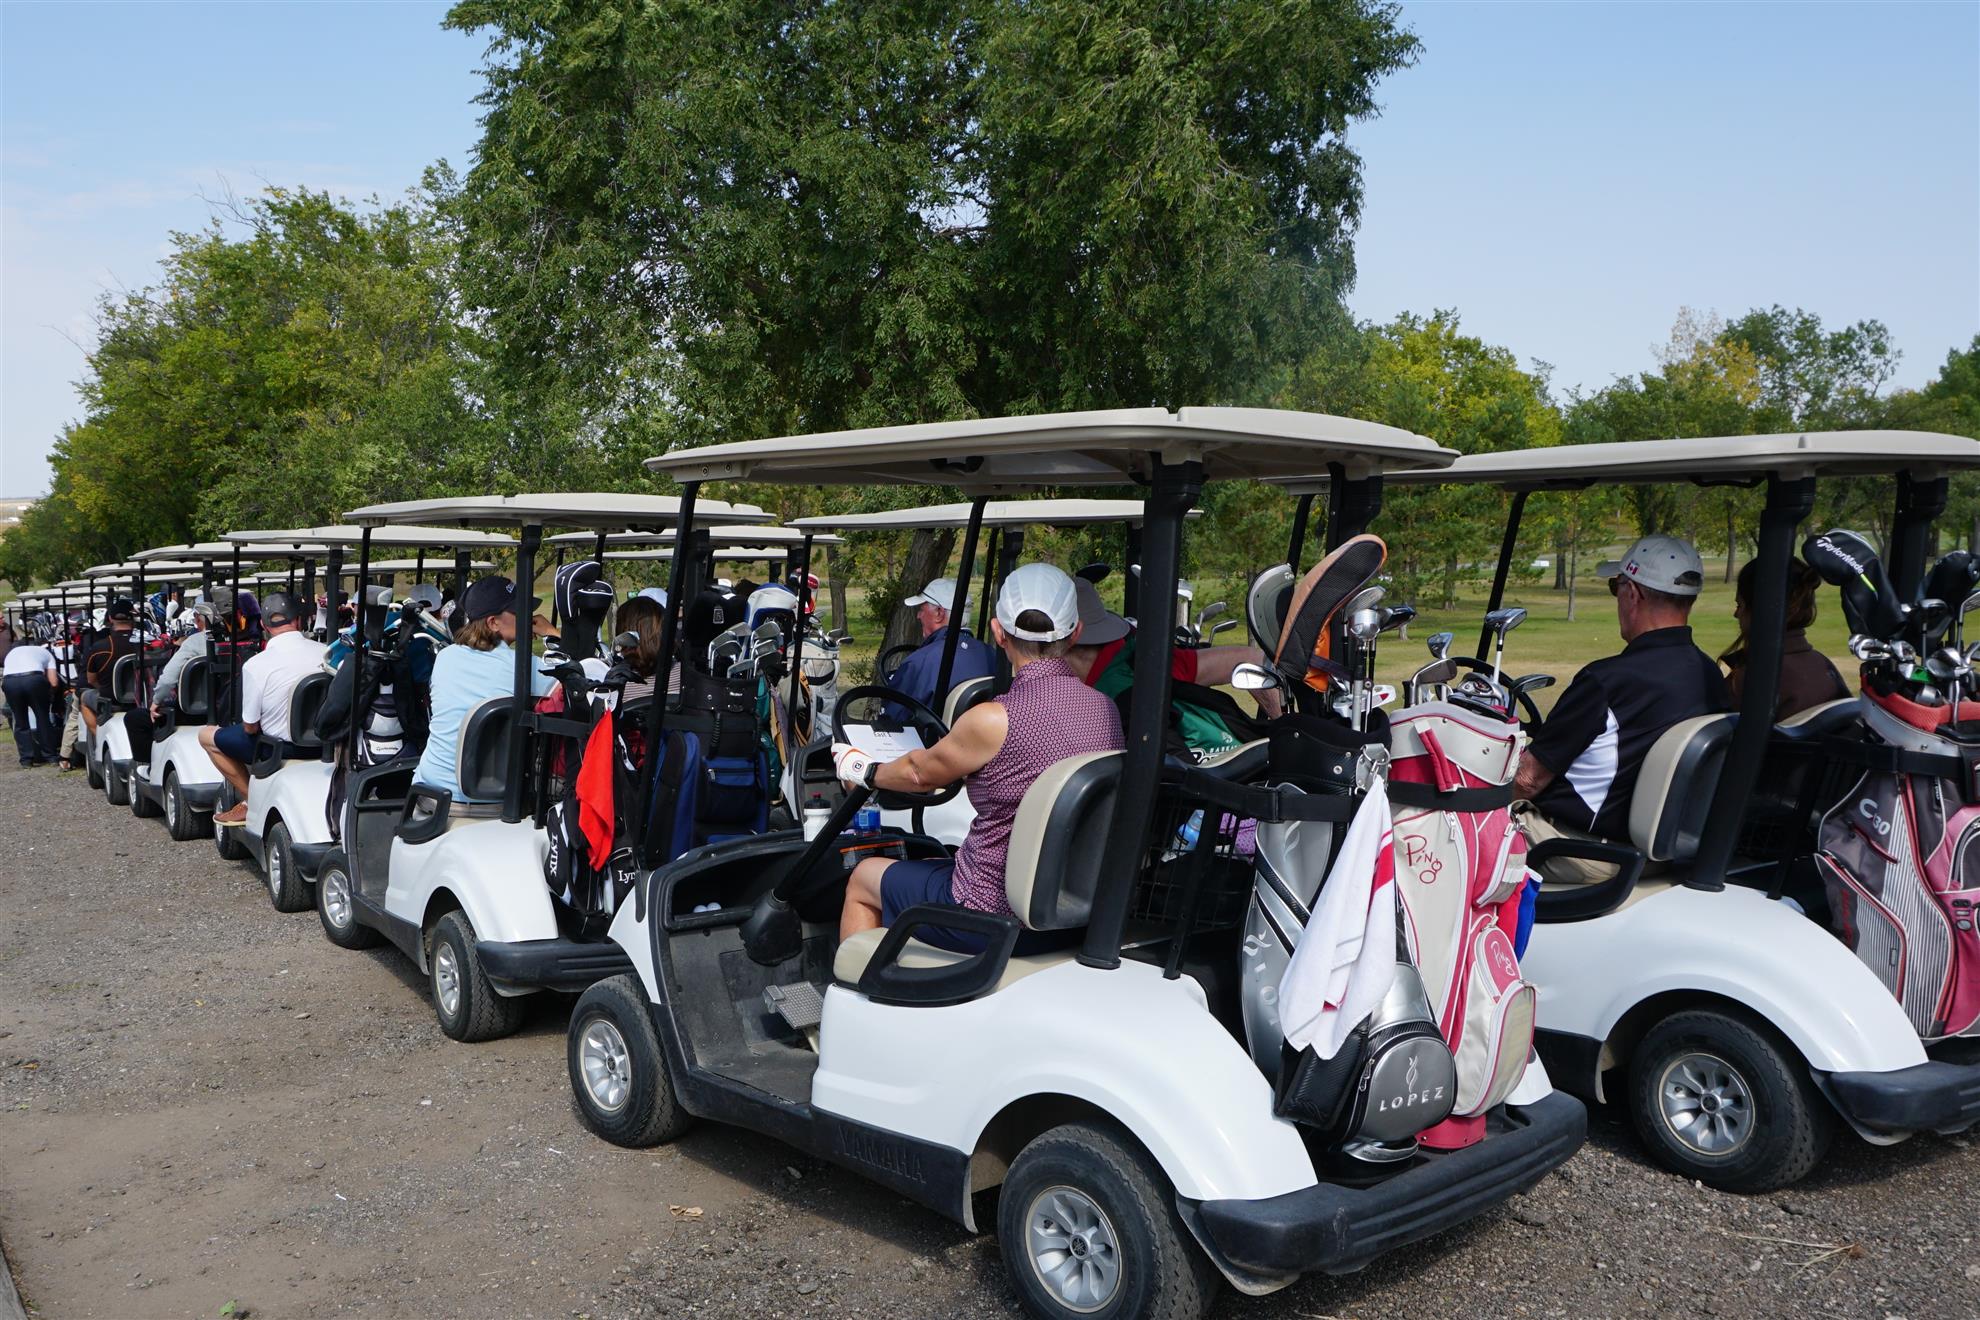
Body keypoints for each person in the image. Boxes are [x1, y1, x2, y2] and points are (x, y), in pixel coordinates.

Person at [836, 563, 1123, 953]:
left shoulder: (993, 719)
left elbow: (919, 774)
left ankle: (855, 988)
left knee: (863, 877)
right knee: (938, 860)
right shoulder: (1105, 709)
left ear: (998, 632)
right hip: (1070, 911)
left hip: (988, 912)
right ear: (1076, 632)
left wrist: (861, 768)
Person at [1513, 535, 1730, 877]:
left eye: (1616, 586)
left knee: (1443, 821)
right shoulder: (1709, 674)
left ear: (1633, 593)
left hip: (1575, 850)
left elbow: (1528, 780)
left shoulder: (1607, 680)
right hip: (1657, 855)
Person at [1063, 578, 1282, 736]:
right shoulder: (1142, 656)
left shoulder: (1139, 667)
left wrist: (1283, 730)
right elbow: (1252, 659)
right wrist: (1283, 726)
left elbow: (1250, 660)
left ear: (1068, 641)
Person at [412, 576, 557, 802]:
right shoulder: (525, 667)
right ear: (493, 623)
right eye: (519, 612)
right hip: (490, 797)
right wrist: (553, 633)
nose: (528, 617)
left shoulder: (446, 657)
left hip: (429, 787)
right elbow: (582, 681)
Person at [201, 592, 328, 825]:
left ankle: (251, 799)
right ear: (298, 620)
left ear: (263, 625)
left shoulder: (256, 665)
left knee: (206, 736)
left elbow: (250, 727)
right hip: (326, 743)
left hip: (280, 748)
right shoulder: (326, 653)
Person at [1721, 557, 1847, 721]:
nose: (1736, 614)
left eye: (1740, 605)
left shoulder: (1755, 677)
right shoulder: (1822, 664)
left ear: (1761, 610)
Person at [883, 577, 995, 713]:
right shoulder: (991, 654)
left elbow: (893, 717)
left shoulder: (919, 662)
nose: (918, 616)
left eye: (921, 610)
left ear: (939, 613)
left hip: (936, 728)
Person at [3, 637, 62, 766]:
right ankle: (50, 756)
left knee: (20, 721)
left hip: (10, 682)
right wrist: (50, 694)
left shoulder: (11, 653)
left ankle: (26, 759)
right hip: (34, 679)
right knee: (42, 718)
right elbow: (54, 682)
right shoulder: (46, 653)